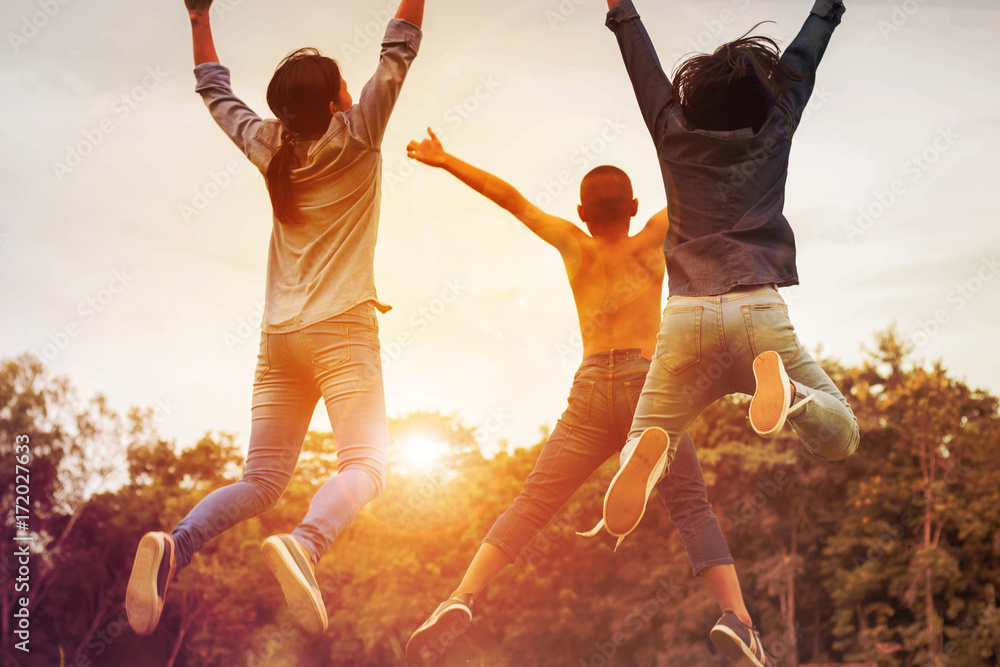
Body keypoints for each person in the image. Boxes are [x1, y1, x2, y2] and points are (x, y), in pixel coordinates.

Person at [402, 129, 759, 666]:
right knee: (689, 504)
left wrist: (445, 158)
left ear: (581, 213)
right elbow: (705, 185)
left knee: (534, 502)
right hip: (649, 389)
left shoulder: (574, 244)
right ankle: (737, 619)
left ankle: (461, 595)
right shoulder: (653, 239)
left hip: (590, 387)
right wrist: (752, 143)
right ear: (635, 208)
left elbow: (511, 200)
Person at [125, 0, 424, 637]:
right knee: (366, 464)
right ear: (338, 98)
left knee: (260, 480)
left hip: (278, 339)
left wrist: (199, 16)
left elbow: (215, 91)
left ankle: (175, 547)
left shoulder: (269, 144)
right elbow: (399, 48)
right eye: (345, 83)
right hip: (342, 329)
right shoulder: (360, 130)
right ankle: (307, 544)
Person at [595, 1, 859, 664]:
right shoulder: (775, 127)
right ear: (761, 95)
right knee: (842, 430)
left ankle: (644, 458)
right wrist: (827, 8)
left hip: (685, 318)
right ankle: (794, 401)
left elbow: (642, 68)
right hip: (759, 314)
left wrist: (621, 10)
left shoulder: (671, 132)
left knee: (649, 429)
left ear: (692, 101)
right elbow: (804, 59)